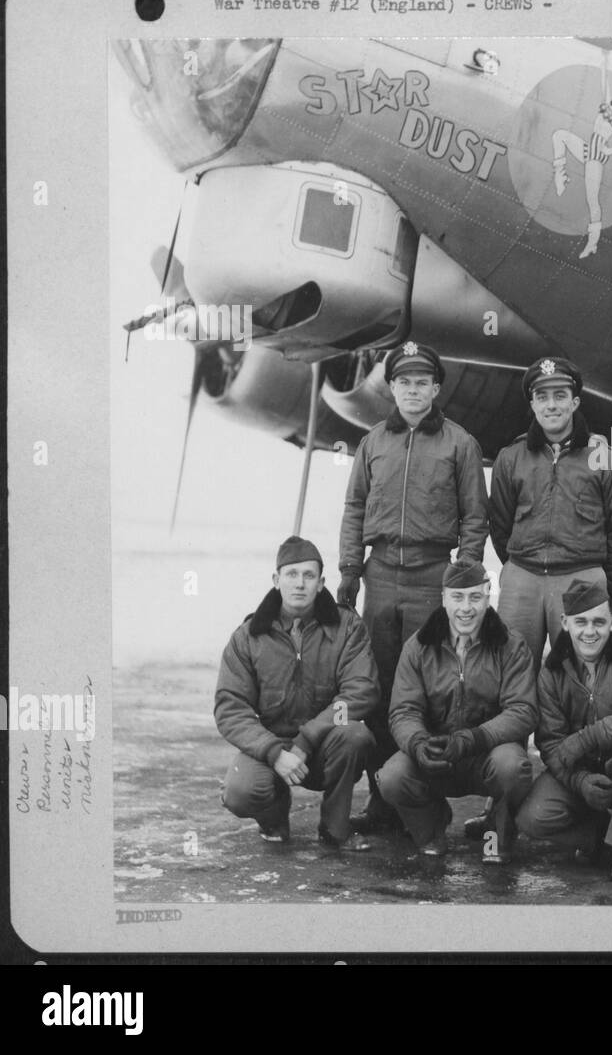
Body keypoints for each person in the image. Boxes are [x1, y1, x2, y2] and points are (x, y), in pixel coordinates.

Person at [337, 341, 489, 833]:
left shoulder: (459, 444)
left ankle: (421, 795)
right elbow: (354, 510)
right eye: (404, 382)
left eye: (422, 382)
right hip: (380, 578)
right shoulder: (372, 442)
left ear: (436, 387)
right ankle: (382, 800)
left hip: (431, 579)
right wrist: (348, 574)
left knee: (424, 690)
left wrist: (461, 581)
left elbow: (474, 518)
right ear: (392, 387)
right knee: (379, 689)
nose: (413, 390)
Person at [214, 536, 379, 850]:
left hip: (325, 744)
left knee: (355, 736)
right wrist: (274, 753)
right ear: (276, 580)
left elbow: (361, 690)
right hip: (272, 747)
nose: (300, 583)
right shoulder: (248, 637)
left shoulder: (347, 628)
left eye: (308, 575)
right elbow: (230, 708)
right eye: (291, 574)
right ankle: (274, 818)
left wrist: (307, 739)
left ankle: (334, 828)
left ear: (321, 583)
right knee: (239, 791)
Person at [376, 561, 536, 864]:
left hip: (484, 755)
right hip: (436, 755)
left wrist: (474, 738)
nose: (467, 608)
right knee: (392, 776)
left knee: (513, 767)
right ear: (443, 597)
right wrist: (418, 743)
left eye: (475, 598)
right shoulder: (418, 646)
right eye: (458, 597)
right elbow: (403, 710)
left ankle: (497, 833)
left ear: (489, 598)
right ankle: (432, 826)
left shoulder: (511, 645)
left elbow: (522, 710)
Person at [516, 579, 612, 882]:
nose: (589, 631)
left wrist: (590, 736)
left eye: (598, 622)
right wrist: (580, 781)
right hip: (583, 774)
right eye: (580, 622)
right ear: (565, 623)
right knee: (532, 818)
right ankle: (599, 834)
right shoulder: (553, 670)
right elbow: (551, 744)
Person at [489, 356, 612, 663]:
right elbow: (500, 523)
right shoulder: (510, 457)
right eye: (542, 397)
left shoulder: (606, 458)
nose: (551, 405)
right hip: (523, 578)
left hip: (581, 578)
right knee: (510, 667)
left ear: (575, 401)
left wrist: (599, 581)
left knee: (581, 672)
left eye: (560, 396)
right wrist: (518, 568)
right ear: (532, 404)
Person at [551, 86, 612, 258]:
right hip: (589, 148)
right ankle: (561, 175)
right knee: (559, 135)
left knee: (592, 200)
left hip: (596, 155)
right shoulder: (611, 107)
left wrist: (609, 151)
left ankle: (592, 243)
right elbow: (605, 88)